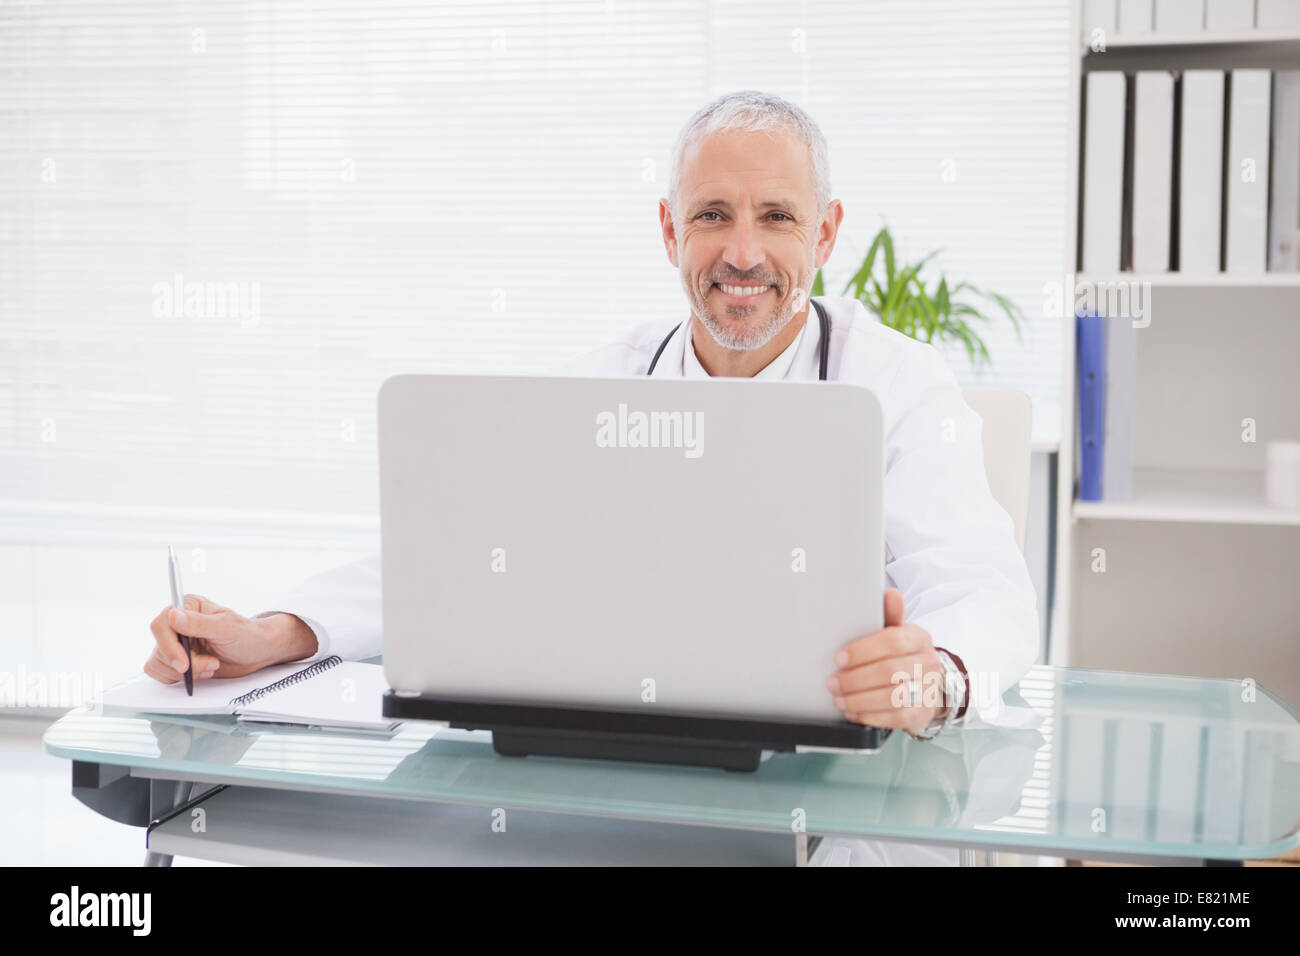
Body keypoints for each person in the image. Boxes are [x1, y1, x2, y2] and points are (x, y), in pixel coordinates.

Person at [142, 90, 1040, 865]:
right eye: (712, 214)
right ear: (667, 230)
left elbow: (986, 594)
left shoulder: (899, 383)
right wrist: (278, 631)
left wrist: (939, 676)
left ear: (827, 232)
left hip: (842, 803)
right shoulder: (597, 385)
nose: (743, 253)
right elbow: (453, 556)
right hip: (635, 789)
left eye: (777, 216)